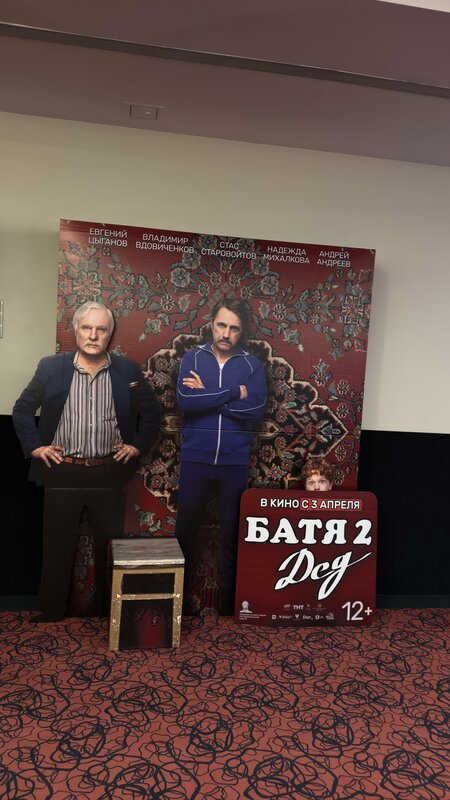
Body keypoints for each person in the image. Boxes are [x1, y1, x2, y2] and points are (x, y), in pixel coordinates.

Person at [12, 301, 160, 621]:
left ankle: (109, 612)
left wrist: (136, 446)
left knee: (111, 547)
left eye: (101, 329)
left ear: (110, 334)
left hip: (109, 472)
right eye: (87, 328)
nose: (93, 335)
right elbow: (22, 409)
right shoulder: (51, 367)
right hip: (62, 470)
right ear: (76, 330)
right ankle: (51, 610)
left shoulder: (127, 370)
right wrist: (35, 447)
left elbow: (151, 413)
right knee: (57, 546)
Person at [175, 297, 267, 613]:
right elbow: (186, 401)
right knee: (185, 534)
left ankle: (230, 607)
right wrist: (233, 393)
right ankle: (179, 606)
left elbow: (256, 409)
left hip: (234, 463)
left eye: (234, 328)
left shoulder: (253, 366)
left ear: (242, 331)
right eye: (221, 325)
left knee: (233, 536)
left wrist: (208, 396)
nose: (226, 334)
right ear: (212, 324)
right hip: (195, 459)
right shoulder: (192, 358)